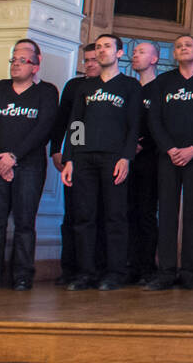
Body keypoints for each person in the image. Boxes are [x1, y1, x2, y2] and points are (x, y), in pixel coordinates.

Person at [60, 34, 143, 290]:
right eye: (98, 47)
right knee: (84, 216)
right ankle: (86, 272)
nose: (101, 51)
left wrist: (126, 157)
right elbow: (76, 123)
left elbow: (134, 125)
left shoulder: (130, 86)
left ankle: (115, 272)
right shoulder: (86, 87)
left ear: (119, 53)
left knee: (115, 216)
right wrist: (70, 159)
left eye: (107, 46)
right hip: (84, 158)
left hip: (113, 158)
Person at [0, 39, 59, 290]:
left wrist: (14, 157)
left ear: (35, 65)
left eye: (22, 60)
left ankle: (22, 276)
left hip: (30, 167)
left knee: (25, 223)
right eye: (13, 59)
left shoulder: (47, 92)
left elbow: (44, 129)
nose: (16, 64)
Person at [146, 35, 193, 291]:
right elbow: (154, 119)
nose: (182, 49)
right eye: (178, 46)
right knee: (166, 213)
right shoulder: (163, 82)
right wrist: (170, 148)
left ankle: (191, 273)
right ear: (174, 53)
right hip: (167, 156)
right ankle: (166, 272)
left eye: (188, 45)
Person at [51, 43, 98, 286]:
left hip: (104, 159)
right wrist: (58, 150)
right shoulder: (74, 86)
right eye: (86, 59)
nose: (89, 64)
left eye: (94, 59)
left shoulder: (121, 85)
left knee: (99, 216)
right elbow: (64, 121)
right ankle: (70, 269)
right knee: (73, 216)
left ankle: (95, 269)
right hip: (75, 158)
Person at [127, 42, 161, 286]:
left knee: (147, 213)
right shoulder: (127, 87)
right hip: (125, 159)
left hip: (151, 158)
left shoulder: (160, 88)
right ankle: (128, 264)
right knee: (126, 213)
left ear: (154, 59)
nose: (134, 55)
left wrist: (144, 144)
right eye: (134, 51)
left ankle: (148, 266)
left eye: (141, 52)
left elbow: (162, 123)